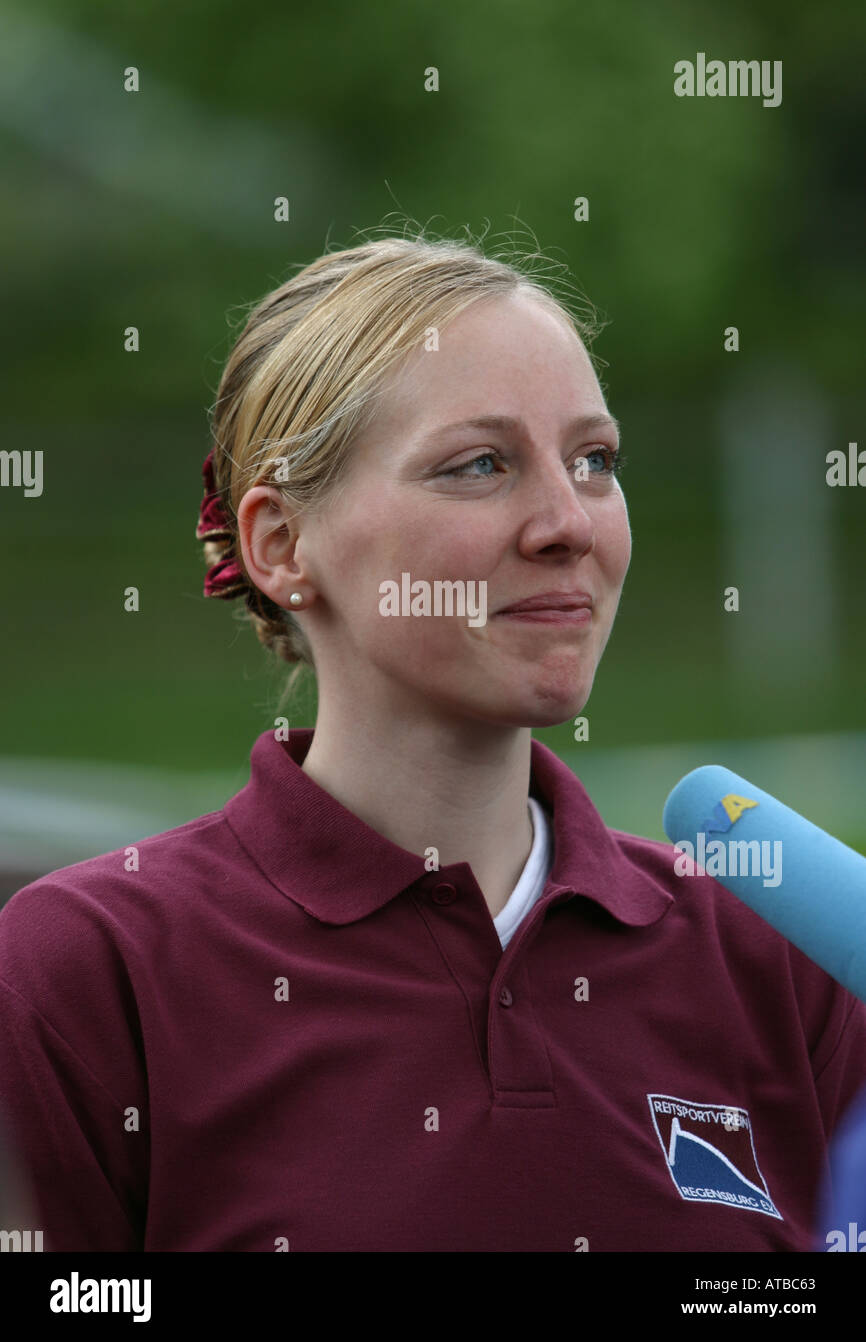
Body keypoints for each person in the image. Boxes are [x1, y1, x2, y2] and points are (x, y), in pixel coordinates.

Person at [0, 231, 864, 1252]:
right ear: (282, 544)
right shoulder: (83, 968)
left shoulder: (782, 958)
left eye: (594, 461)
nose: (569, 524)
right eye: (480, 465)